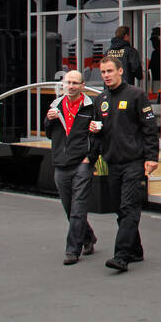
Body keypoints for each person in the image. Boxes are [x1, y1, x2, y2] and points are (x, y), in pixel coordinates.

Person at [89, 54, 159, 272]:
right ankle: (135, 250)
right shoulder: (101, 99)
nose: (106, 75)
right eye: (103, 72)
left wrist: (152, 158)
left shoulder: (136, 95)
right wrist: (91, 156)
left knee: (129, 208)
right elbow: (98, 132)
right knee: (121, 209)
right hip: (112, 162)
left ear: (120, 71)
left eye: (110, 71)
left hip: (134, 162)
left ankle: (121, 256)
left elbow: (149, 129)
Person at [46, 70, 98, 265]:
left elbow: (98, 134)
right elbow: (49, 133)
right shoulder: (56, 105)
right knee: (69, 208)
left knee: (78, 208)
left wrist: (89, 158)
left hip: (81, 163)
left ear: (83, 85)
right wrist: (49, 120)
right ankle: (88, 237)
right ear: (63, 84)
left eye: (75, 83)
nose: (71, 86)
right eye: (68, 82)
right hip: (61, 163)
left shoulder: (91, 106)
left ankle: (72, 250)